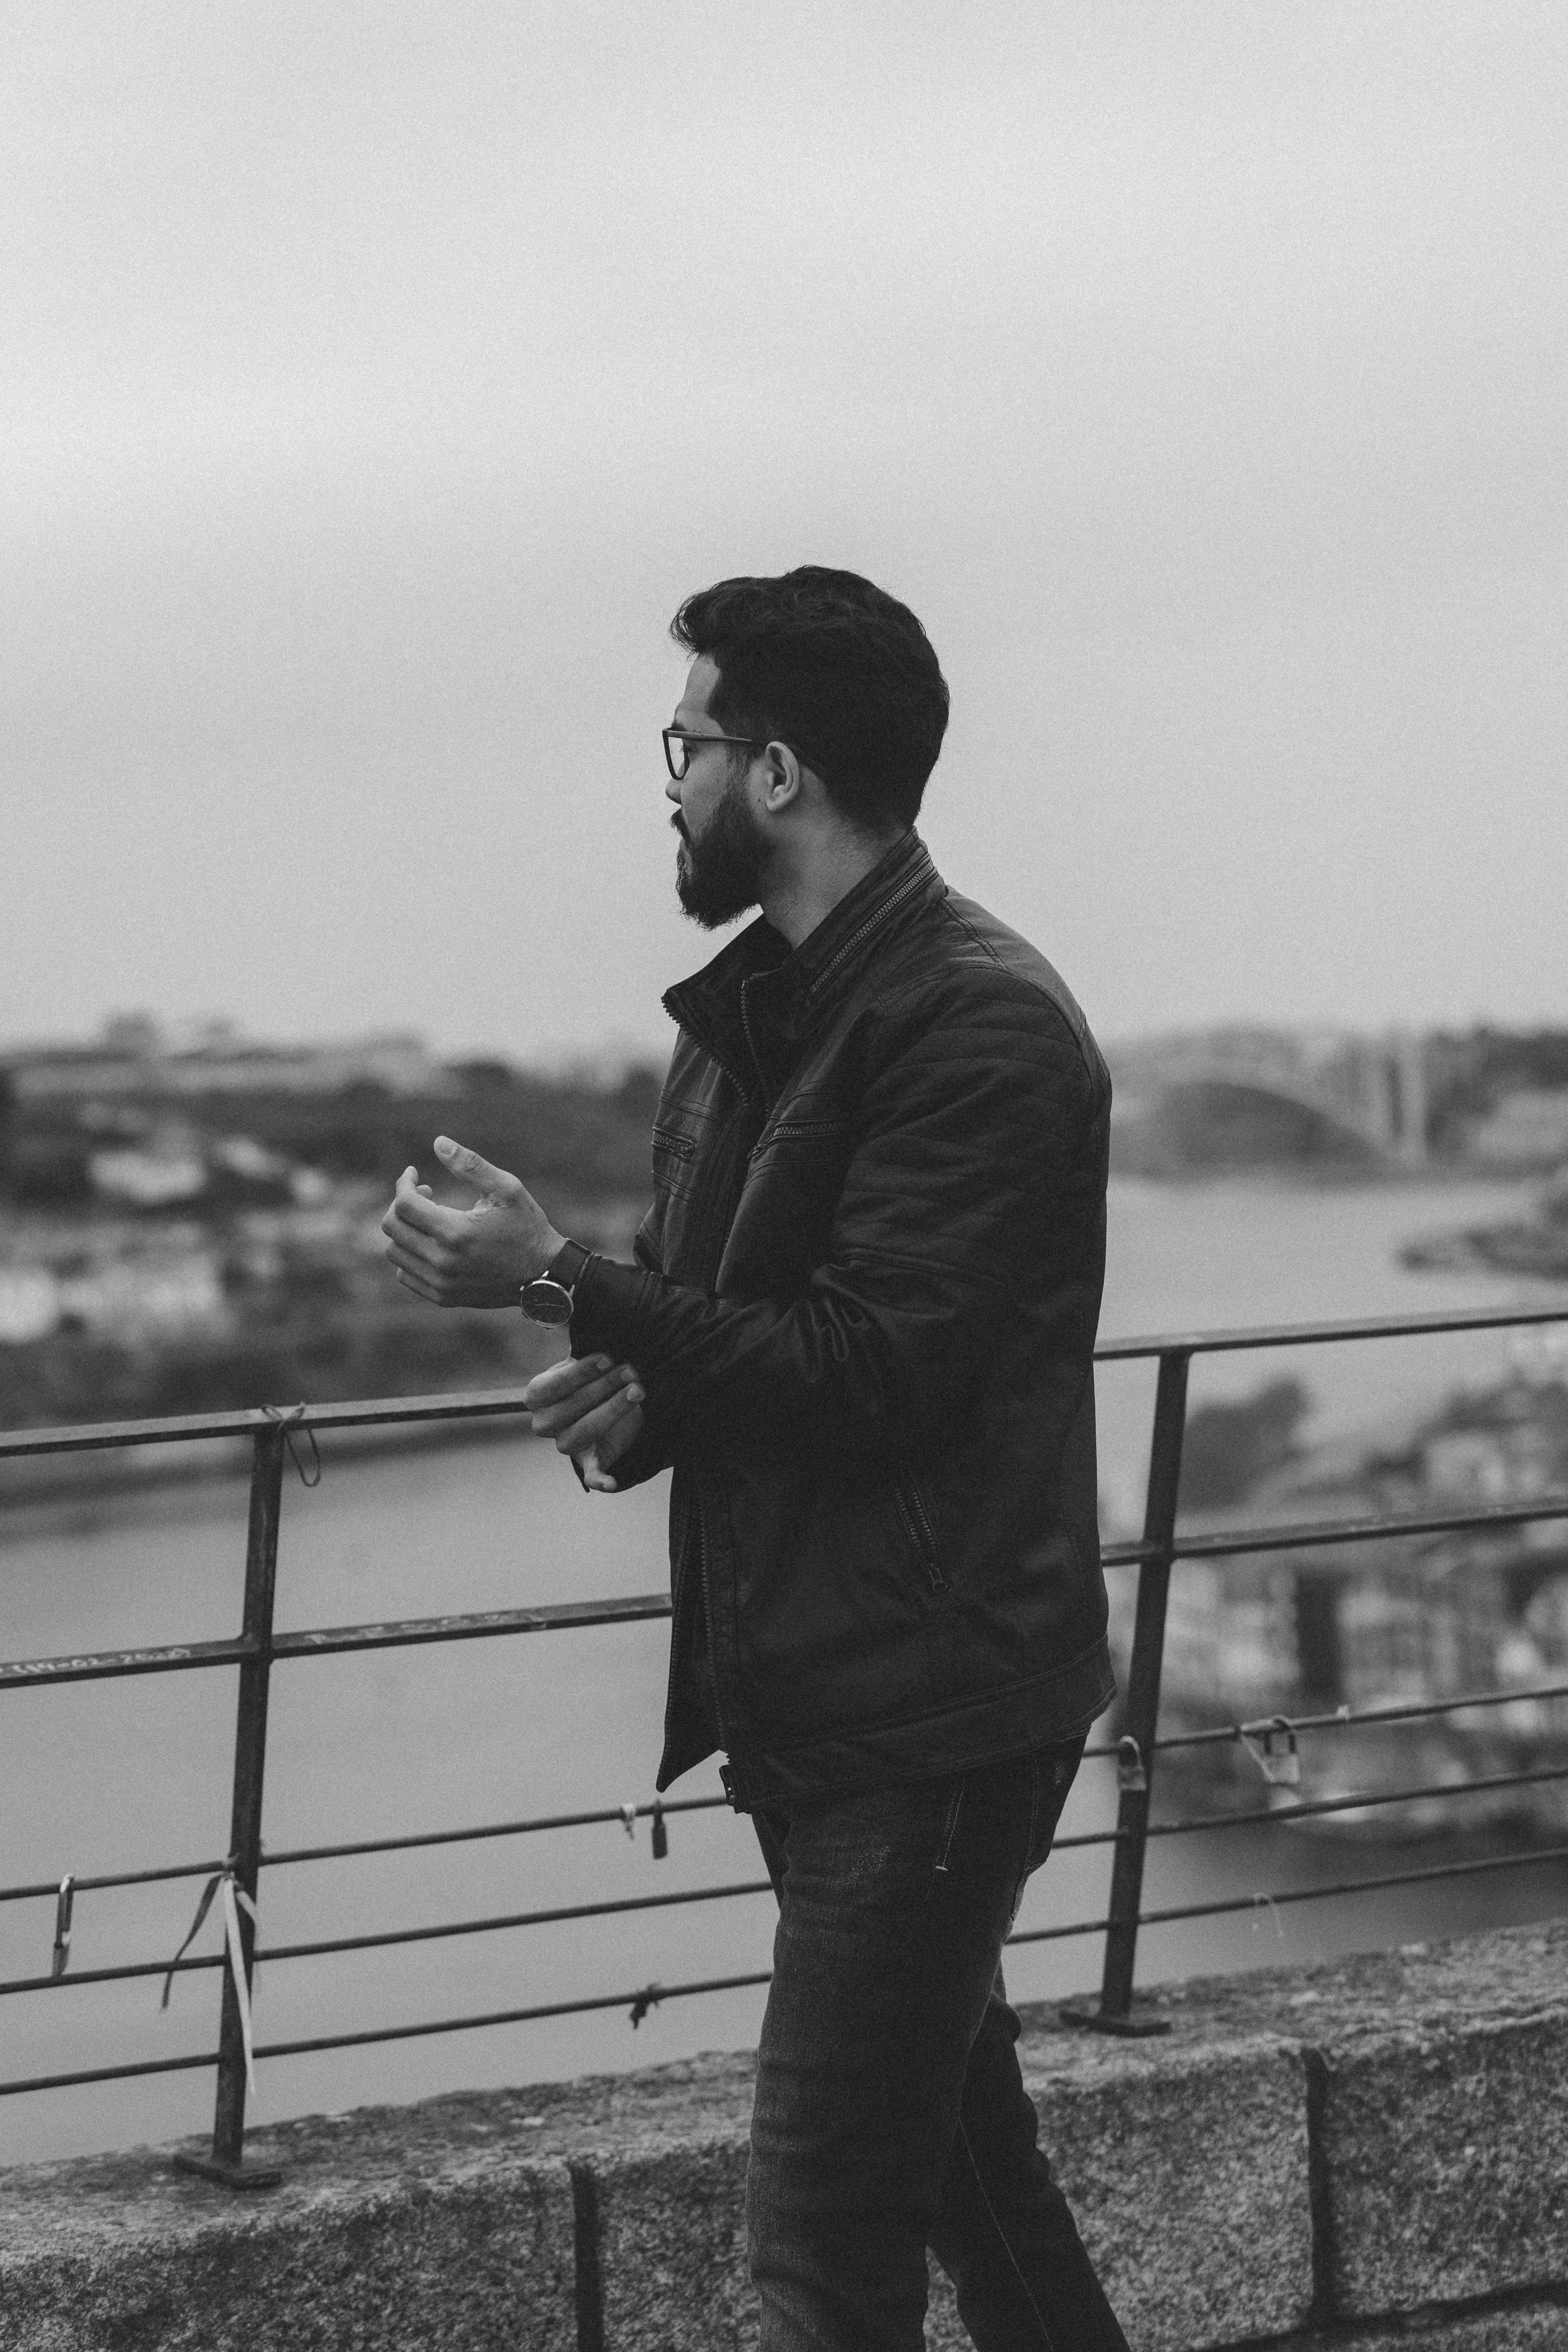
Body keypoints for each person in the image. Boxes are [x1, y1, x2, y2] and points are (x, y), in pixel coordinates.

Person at [381, 566, 1129, 2351]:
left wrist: (561, 1277)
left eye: (689, 740)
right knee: (971, 2186)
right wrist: (641, 1396)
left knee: (818, 2261)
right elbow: (760, 1344)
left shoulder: (979, 1021)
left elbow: (881, 1372)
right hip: (818, 1698)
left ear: (776, 770)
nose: (671, 779)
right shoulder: (744, 1026)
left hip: (930, 1714)